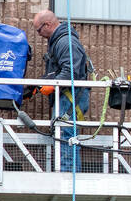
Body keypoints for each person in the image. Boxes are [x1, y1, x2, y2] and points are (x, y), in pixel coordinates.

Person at [31, 9, 91, 173]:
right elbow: (57, 72)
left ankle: (68, 174)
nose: (39, 34)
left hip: (72, 96)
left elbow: (70, 72)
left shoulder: (65, 42)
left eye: (39, 30)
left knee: (65, 133)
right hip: (68, 96)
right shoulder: (59, 42)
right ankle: (66, 170)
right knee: (62, 131)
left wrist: (52, 86)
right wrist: (38, 86)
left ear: (48, 24)